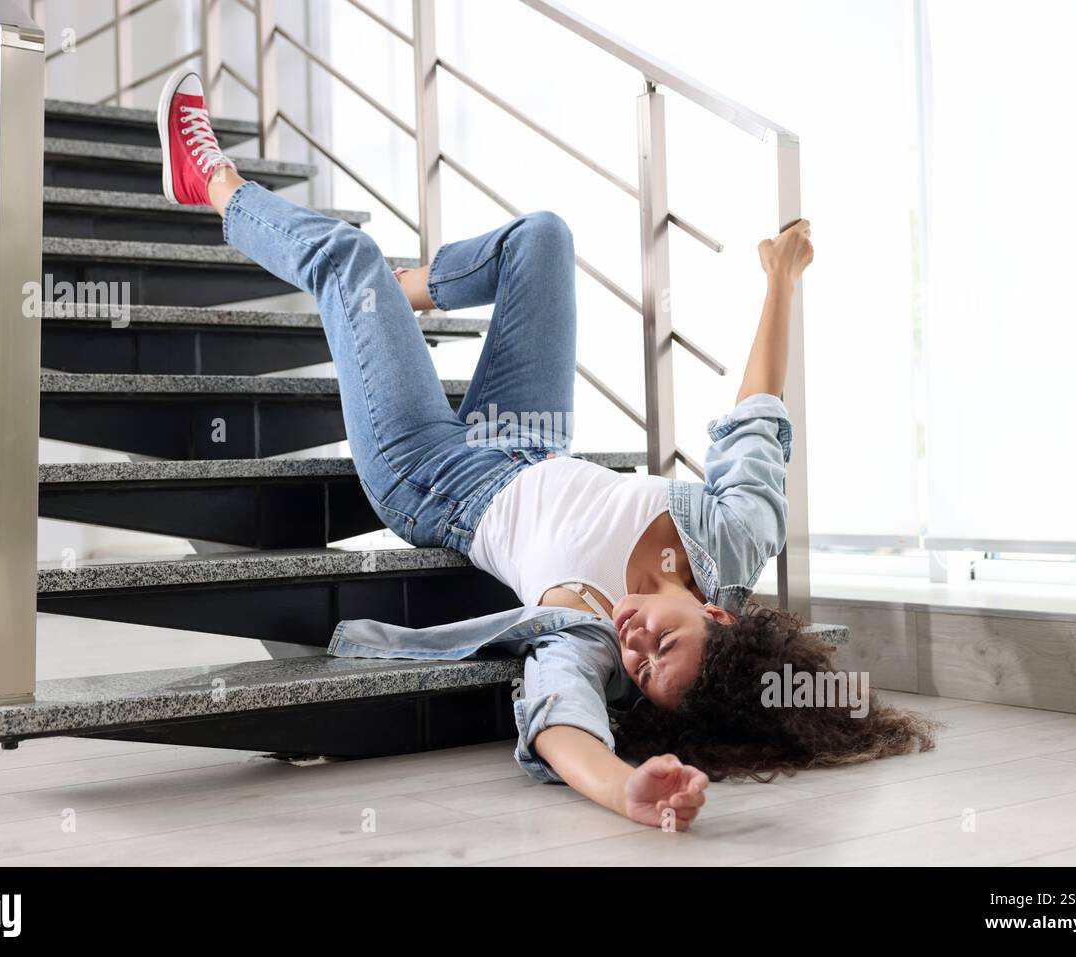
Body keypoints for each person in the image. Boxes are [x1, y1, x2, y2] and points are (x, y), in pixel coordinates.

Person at [157, 71, 937, 831]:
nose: (634, 642)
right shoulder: (736, 532)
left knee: (347, 262)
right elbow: (758, 415)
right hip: (524, 438)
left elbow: (563, 724)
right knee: (542, 238)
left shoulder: (585, 631)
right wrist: (781, 279)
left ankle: (213, 182)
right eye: (662, 640)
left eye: (639, 669)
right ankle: (401, 295)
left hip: (434, 475)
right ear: (717, 614)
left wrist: (626, 788)